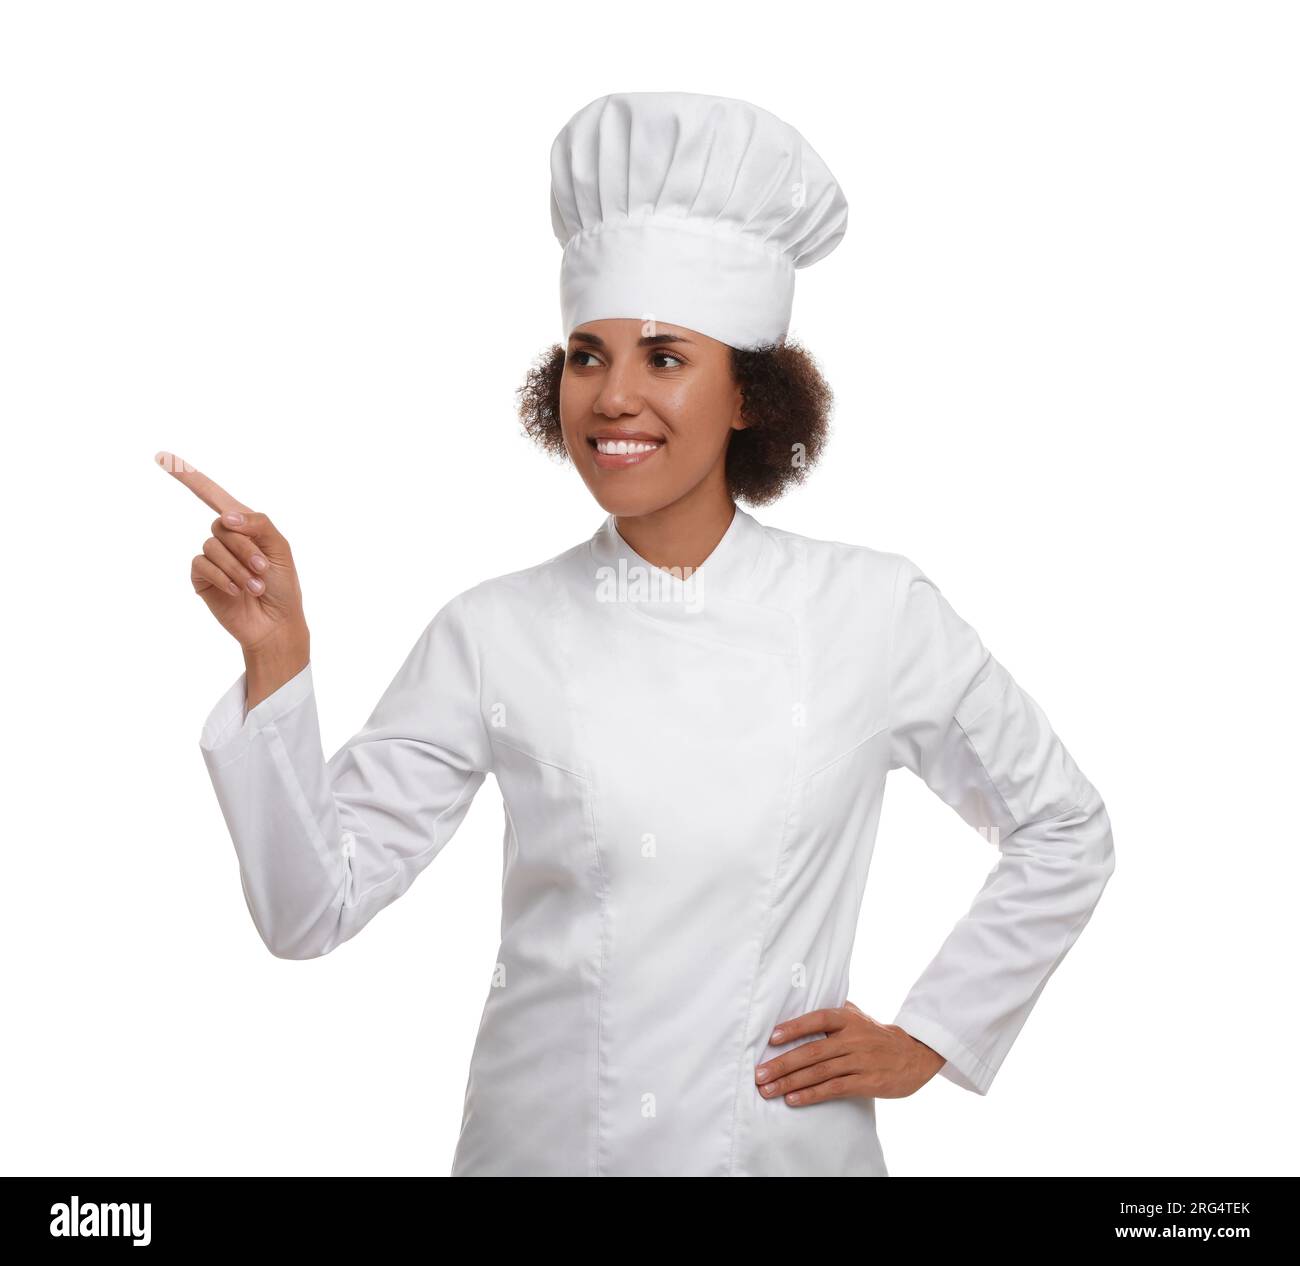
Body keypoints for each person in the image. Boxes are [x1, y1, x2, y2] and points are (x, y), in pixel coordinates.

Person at [161, 91, 1115, 1177]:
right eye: (586, 355)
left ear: (749, 395)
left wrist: (933, 1036)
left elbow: (1064, 827)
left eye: (664, 357)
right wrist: (277, 659)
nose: (613, 397)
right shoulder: (493, 630)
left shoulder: (873, 611)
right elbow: (310, 910)